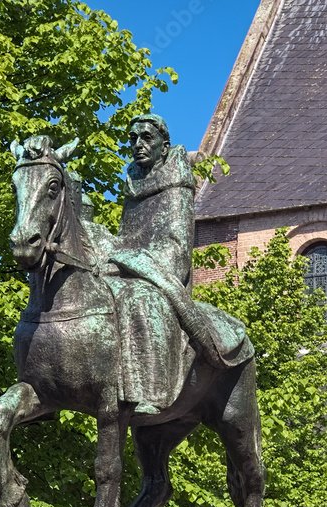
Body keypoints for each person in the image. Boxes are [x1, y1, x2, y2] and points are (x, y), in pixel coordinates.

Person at [103, 114, 252, 414]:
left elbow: (177, 246)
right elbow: (125, 238)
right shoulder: (133, 184)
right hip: (130, 267)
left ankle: (150, 392)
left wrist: (136, 263)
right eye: (132, 139)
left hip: (159, 273)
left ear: (164, 146)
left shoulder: (177, 183)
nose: (137, 144)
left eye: (146, 138)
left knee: (139, 299)